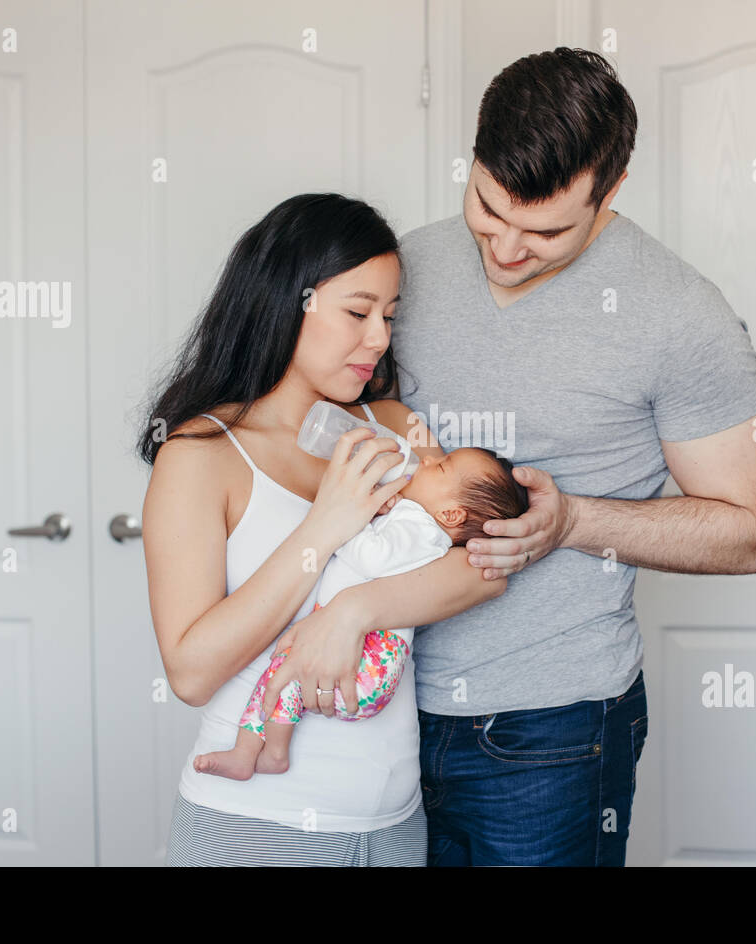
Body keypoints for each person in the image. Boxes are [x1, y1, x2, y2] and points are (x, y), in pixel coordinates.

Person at [389, 48, 756, 866]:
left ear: (612, 189)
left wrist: (571, 519)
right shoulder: (405, 267)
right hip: (374, 713)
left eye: (545, 231)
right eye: (488, 210)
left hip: (551, 734)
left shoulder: (680, 315)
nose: (504, 249)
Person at [138, 193, 505, 866]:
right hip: (258, 825)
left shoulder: (392, 426)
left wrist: (356, 611)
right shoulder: (200, 458)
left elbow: (482, 559)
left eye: (389, 317)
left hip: (395, 821)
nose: (380, 339)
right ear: (287, 299)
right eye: (358, 312)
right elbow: (190, 672)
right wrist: (325, 525)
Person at [192, 447, 527, 781]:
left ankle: (263, 752)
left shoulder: (422, 530)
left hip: (370, 657)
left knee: (282, 675)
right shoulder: (414, 525)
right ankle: (258, 752)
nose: (426, 459)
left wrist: (344, 521)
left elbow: (371, 557)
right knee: (282, 677)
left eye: (440, 467)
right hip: (371, 661)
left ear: (451, 515)